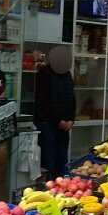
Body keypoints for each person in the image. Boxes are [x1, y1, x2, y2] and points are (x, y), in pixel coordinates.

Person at [34, 45, 75, 180]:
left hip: (63, 126)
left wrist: (70, 119)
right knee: (48, 160)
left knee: (62, 160)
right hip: (47, 125)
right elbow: (43, 102)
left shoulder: (67, 75)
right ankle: (49, 187)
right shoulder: (43, 74)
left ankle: (62, 185)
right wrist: (58, 121)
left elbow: (72, 98)